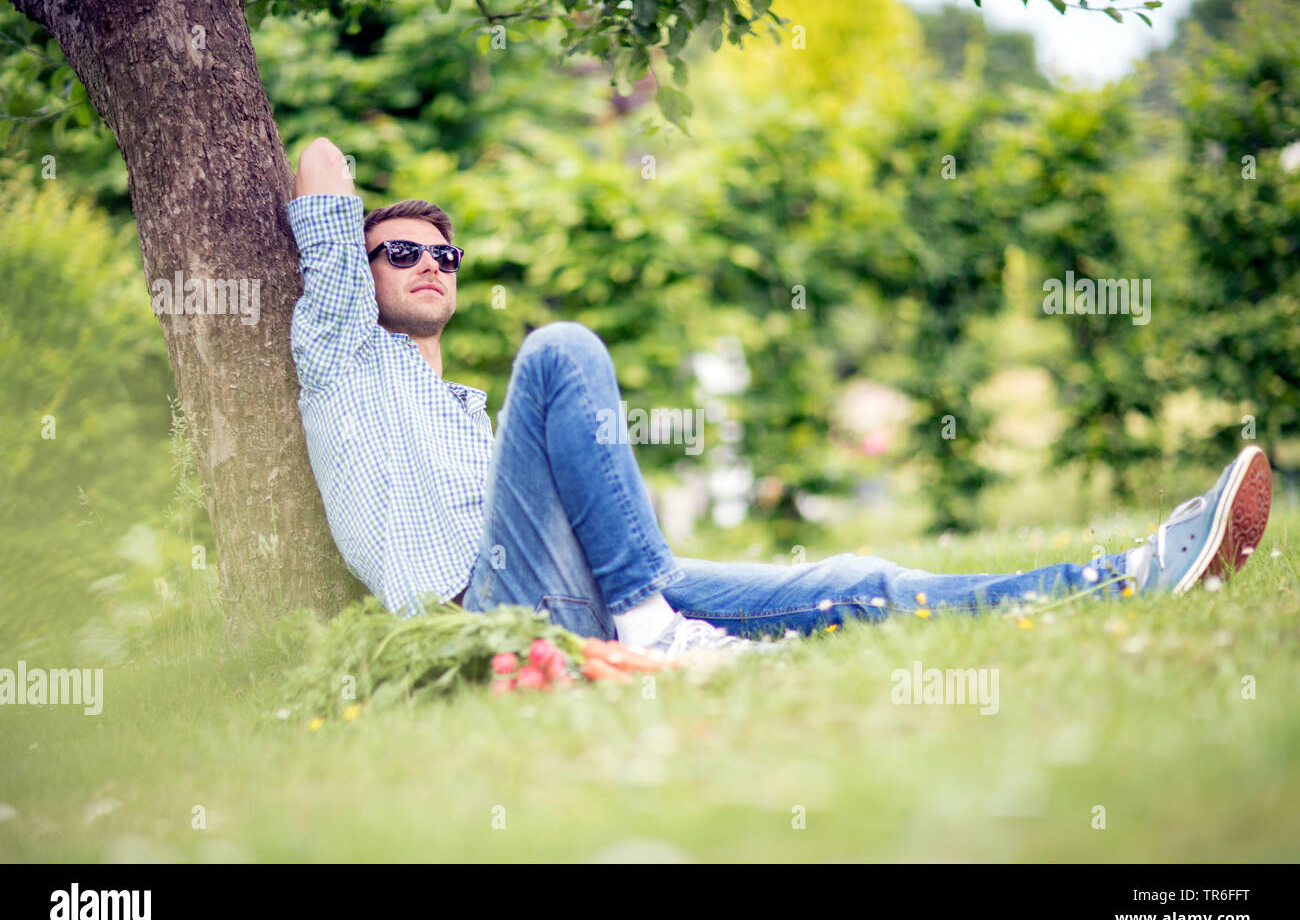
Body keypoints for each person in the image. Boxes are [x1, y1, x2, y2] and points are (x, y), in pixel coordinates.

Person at [286, 138, 1274, 658]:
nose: (430, 264)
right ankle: (650, 622)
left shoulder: (466, 414)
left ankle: (1135, 572)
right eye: (400, 251)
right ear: (352, 268)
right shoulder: (338, 352)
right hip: (486, 606)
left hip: (578, 592)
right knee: (559, 349)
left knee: (858, 578)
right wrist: (345, 231)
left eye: (445, 253)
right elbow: (322, 158)